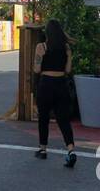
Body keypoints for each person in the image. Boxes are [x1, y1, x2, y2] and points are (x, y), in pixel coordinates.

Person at [33, 19, 77, 168]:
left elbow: (37, 69)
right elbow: (68, 70)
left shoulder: (42, 47)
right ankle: (71, 150)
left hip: (46, 84)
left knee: (43, 118)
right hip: (61, 85)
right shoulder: (66, 48)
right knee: (63, 120)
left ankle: (43, 149)